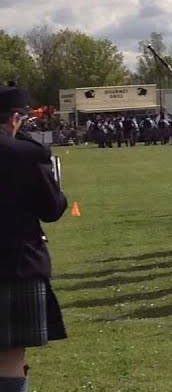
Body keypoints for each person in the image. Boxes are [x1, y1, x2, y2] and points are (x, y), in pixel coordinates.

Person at [0, 85, 68, 392]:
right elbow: (52, 209)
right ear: (15, 118)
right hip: (14, 264)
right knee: (10, 357)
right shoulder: (26, 154)